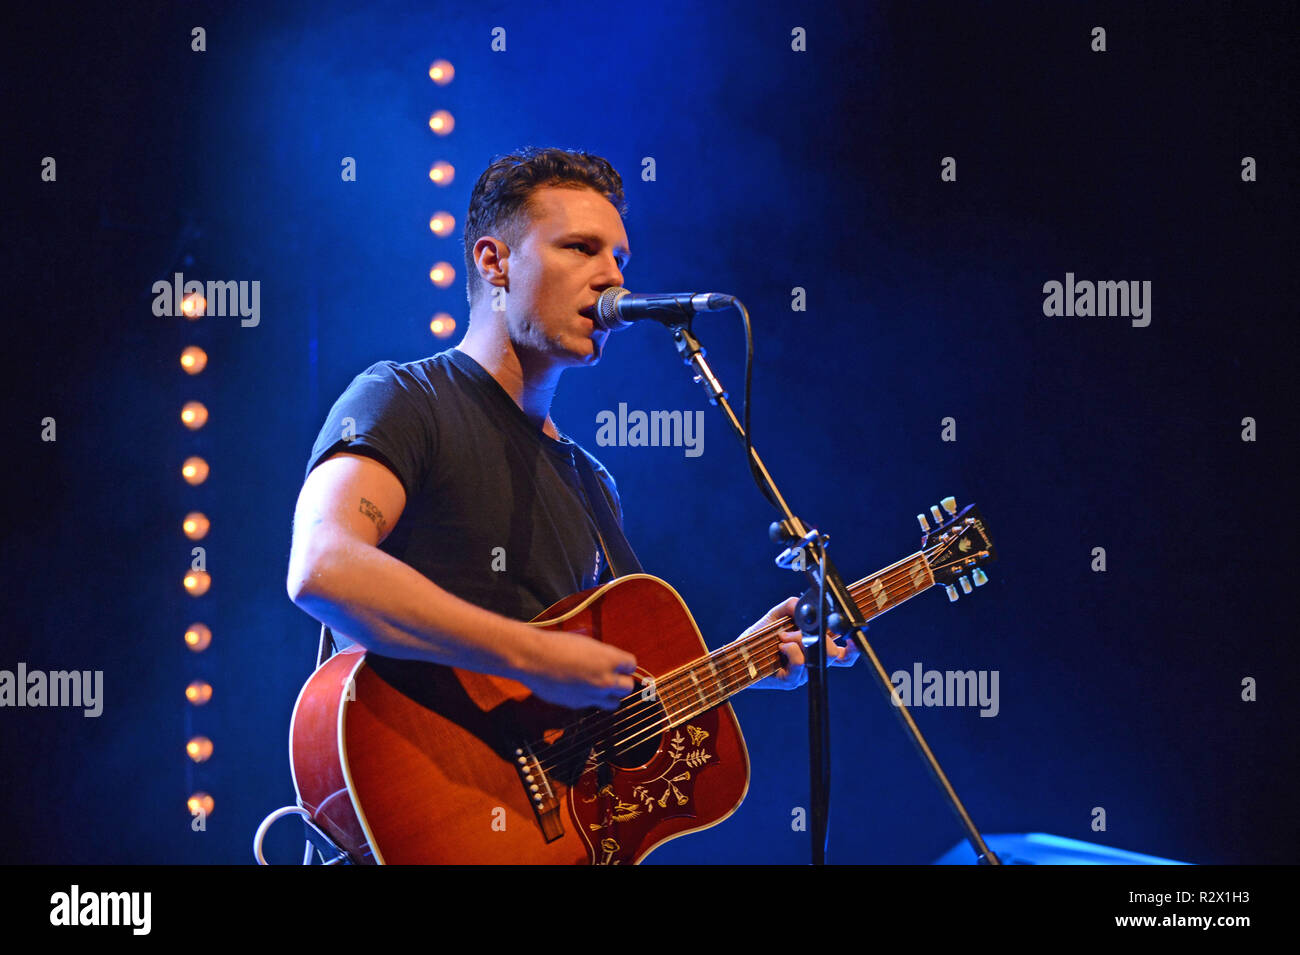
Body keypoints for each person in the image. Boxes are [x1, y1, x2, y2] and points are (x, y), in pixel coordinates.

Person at [285, 146, 857, 714]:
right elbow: (322, 567)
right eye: (581, 249)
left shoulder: (592, 484)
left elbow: (593, 707)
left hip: (533, 805)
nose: (611, 276)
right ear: (494, 263)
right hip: (407, 782)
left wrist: (739, 662)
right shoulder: (406, 399)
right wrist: (533, 654)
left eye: (620, 260)